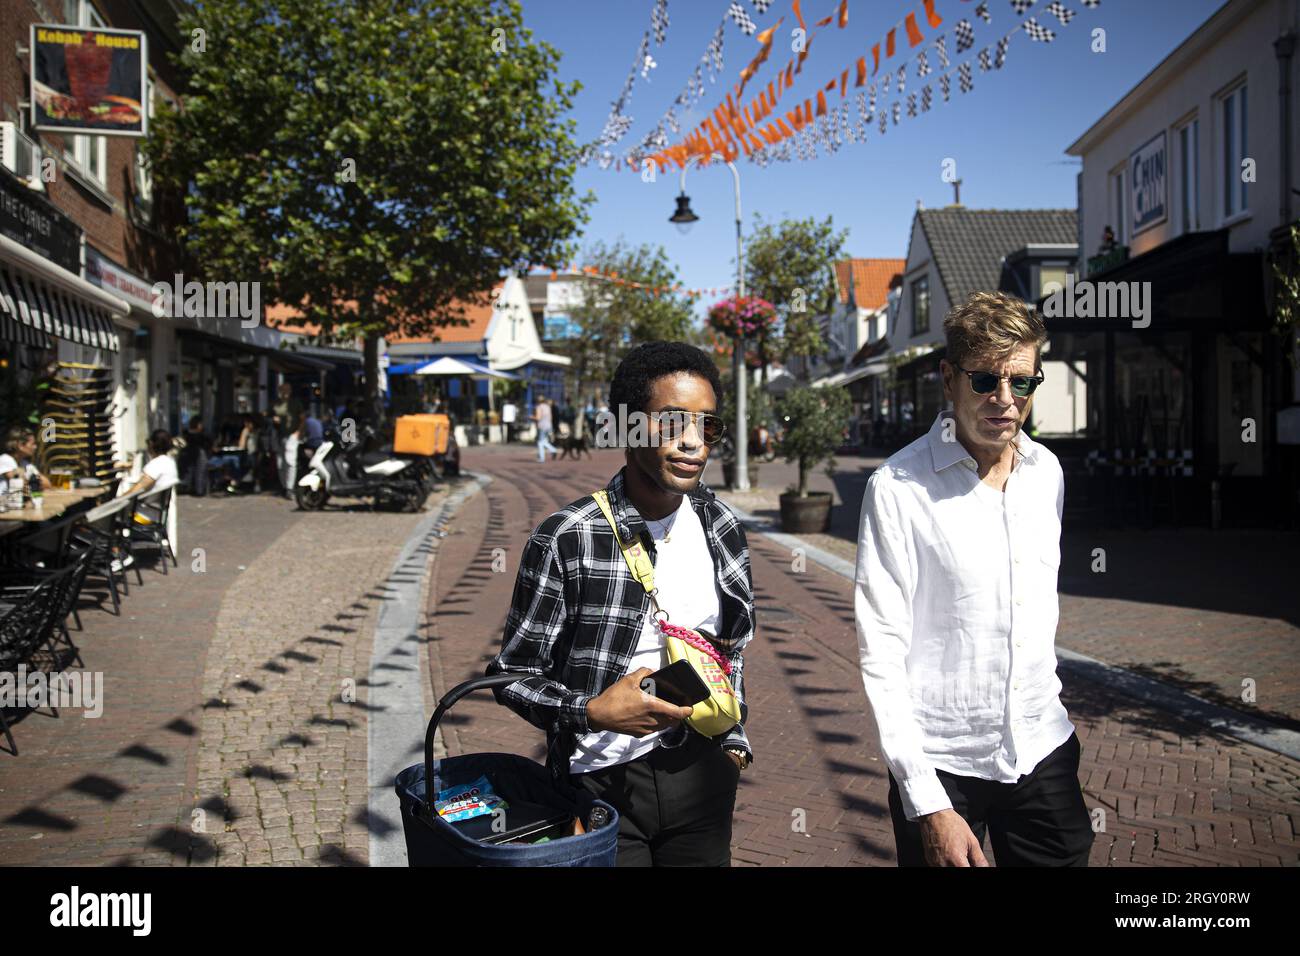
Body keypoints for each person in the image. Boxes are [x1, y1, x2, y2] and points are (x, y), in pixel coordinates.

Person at [488, 342, 754, 867]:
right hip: (601, 787)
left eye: (708, 426)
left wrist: (732, 740)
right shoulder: (567, 537)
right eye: (674, 422)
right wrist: (589, 712)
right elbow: (511, 675)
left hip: (702, 776)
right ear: (627, 427)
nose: (693, 444)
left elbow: (731, 645)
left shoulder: (722, 525)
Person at [855, 291, 1094, 868]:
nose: (1005, 401)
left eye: (1023, 382)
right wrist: (927, 802)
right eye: (986, 380)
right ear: (949, 378)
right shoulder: (898, 488)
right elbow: (881, 651)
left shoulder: (1048, 474)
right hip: (942, 764)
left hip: (1043, 746)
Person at [0, 427, 53, 496]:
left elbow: (47, 484)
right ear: (20, 446)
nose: (35, 447)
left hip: (14, 502)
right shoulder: (5, 460)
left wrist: (32, 482)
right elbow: (19, 485)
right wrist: (34, 482)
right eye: (32, 444)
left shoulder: (25, 463)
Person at [532, 396, 558, 463]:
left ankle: (551, 451)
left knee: (540, 443)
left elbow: (538, 418)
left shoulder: (539, 407)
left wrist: (531, 417)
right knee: (544, 442)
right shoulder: (547, 407)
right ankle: (542, 457)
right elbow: (550, 418)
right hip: (548, 426)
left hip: (542, 426)